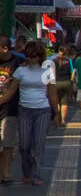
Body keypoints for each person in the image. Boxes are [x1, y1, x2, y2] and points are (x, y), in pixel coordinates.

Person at [14, 41, 59, 186]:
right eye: (29, 56)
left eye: (34, 56)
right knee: (24, 145)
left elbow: (52, 94)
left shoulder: (47, 72)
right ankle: (27, 171)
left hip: (43, 111)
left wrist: (56, 113)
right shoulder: (20, 71)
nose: (31, 59)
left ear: (40, 57)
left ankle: (37, 174)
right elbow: (11, 90)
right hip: (24, 110)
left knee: (38, 145)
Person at [0, 57, 17, 185]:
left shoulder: (16, 63)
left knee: (7, 141)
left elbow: (13, 88)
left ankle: (6, 171)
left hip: (8, 108)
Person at [48, 45, 75, 125]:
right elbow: (73, 72)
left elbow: (50, 73)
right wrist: (72, 83)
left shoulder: (53, 61)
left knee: (56, 101)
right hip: (67, 83)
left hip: (56, 83)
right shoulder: (69, 61)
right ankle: (63, 120)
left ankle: (57, 117)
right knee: (64, 102)